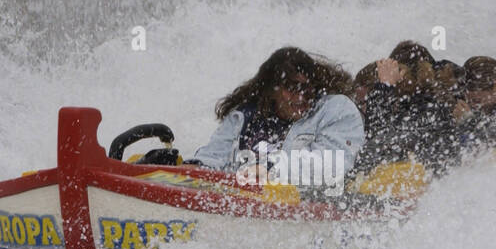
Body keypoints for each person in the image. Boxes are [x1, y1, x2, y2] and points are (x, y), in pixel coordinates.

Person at [191, 47, 364, 186]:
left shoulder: (336, 109)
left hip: (306, 210)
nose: (301, 97)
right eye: (292, 88)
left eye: (307, 88)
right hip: (241, 206)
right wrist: (191, 167)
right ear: (272, 90)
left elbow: (334, 164)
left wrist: (272, 169)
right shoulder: (244, 115)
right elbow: (213, 157)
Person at [351, 41, 461, 175]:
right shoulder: (405, 107)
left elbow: (380, 139)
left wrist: (383, 88)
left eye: (365, 102)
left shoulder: (426, 107)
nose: (361, 110)